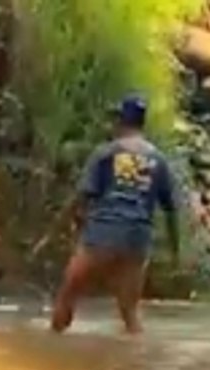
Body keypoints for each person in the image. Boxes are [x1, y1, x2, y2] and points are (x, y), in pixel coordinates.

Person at [51, 94, 180, 335]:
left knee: (68, 294)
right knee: (129, 312)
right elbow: (170, 209)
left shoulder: (106, 153)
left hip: (103, 233)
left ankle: (52, 346)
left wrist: (55, 229)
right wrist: (175, 251)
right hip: (137, 239)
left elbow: (82, 196)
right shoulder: (157, 159)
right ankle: (135, 360)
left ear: (121, 121)